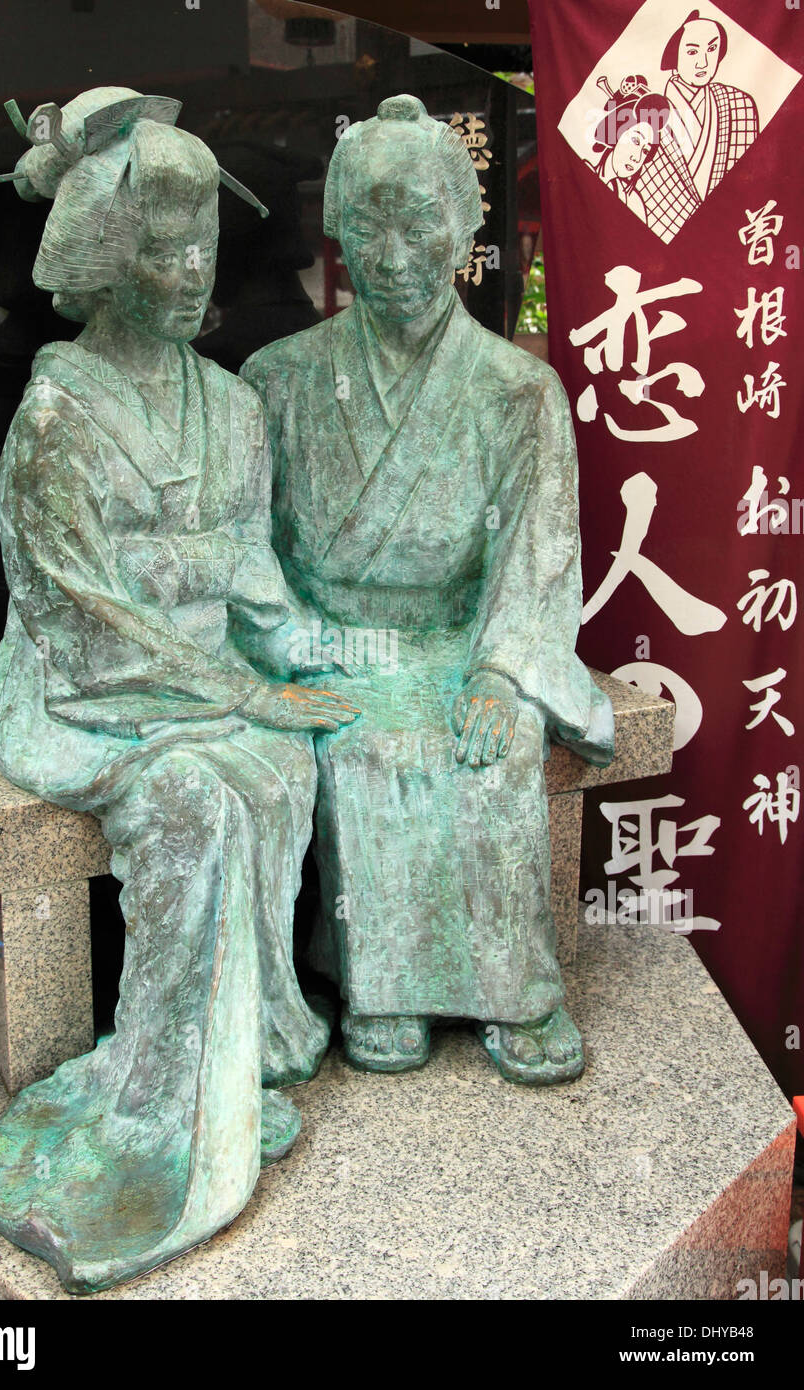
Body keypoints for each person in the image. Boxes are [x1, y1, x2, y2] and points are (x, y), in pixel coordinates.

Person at [0, 86, 358, 1294]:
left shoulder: (231, 407)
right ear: (102, 255)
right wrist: (228, 694)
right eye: (161, 247)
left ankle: (236, 1053)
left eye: (202, 246)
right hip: (90, 688)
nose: (192, 272)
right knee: (194, 796)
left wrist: (310, 653)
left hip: (205, 674)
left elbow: (254, 580)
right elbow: (72, 611)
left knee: (282, 763)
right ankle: (154, 1098)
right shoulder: (54, 417)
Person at [241, 95, 613, 1086]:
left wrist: (499, 671)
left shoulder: (513, 389)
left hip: (462, 634)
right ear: (333, 230)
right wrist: (292, 641)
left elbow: (538, 555)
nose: (393, 251)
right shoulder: (279, 379)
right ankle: (383, 989)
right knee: (362, 742)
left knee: (488, 741)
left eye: (417, 224)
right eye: (366, 223)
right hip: (335, 636)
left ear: (459, 231)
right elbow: (245, 551)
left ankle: (512, 993)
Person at [636, 11, 759, 241]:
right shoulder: (646, 111)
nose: (703, 62)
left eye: (712, 49)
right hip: (661, 244)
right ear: (673, 56)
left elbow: (753, 178)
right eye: (692, 51)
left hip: (728, 235)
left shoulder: (740, 104)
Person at [589, 76, 671, 224]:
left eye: (645, 151)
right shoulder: (582, 173)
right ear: (616, 133)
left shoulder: (635, 203)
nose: (637, 158)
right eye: (635, 141)